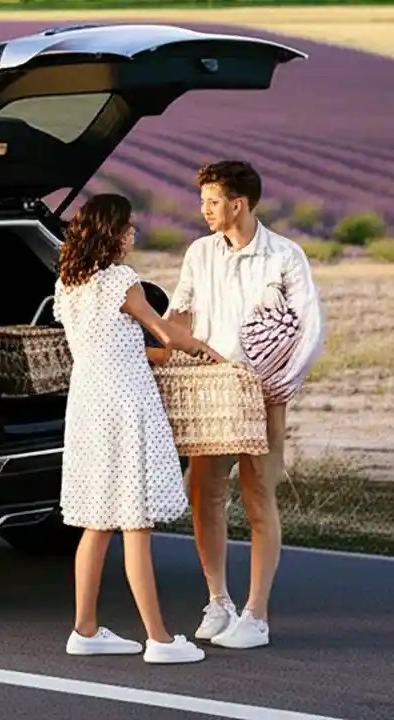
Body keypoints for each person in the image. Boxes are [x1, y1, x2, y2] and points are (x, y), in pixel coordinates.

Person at [54, 193, 221, 665]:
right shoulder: (122, 281)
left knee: (98, 523)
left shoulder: (69, 284)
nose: (133, 234)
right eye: (128, 227)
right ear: (111, 232)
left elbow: (103, 345)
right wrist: (203, 347)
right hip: (124, 405)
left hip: (87, 405)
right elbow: (166, 335)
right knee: (136, 523)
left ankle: (85, 629)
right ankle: (160, 640)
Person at [165, 161, 325, 649]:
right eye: (203, 201)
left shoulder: (285, 256)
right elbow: (179, 314)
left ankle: (256, 614)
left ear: (238, 203)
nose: (204, 210)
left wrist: (279, 386)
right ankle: (218, 602)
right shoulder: (199, 252)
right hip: (210, 392)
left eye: (212, 201)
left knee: (259, 497)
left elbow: (310, 327)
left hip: (264, 392)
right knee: (204, 493)